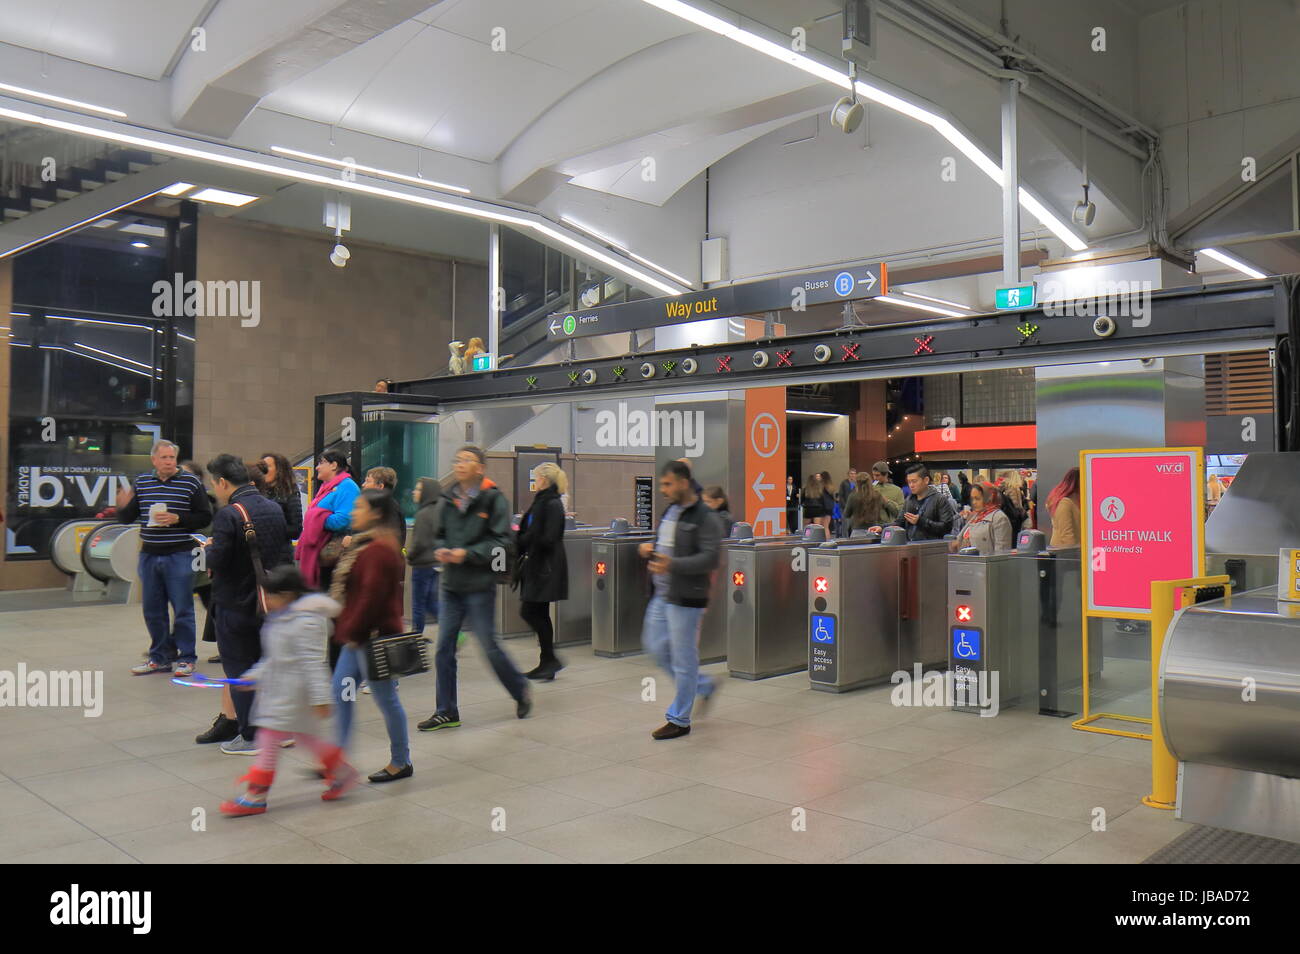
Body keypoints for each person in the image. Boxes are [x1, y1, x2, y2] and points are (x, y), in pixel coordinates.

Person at [219, 565, 359, 815]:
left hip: (296, 695)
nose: (266, 600)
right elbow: (273, 658)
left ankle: (256, 796)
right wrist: (252, 676)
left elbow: (313, 663)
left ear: (287, 594)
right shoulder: (279, 618)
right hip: (279, 691)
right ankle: (342, 773)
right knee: (308, 739)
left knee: (268, 739)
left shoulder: (307, 622)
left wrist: (320, 699)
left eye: (270, 595)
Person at [418, 446, 531, 731]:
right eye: (457, 460)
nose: (460, 464)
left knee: (488, 645)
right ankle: (446, 710)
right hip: (451, 584)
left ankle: (519, 689)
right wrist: (443, 550)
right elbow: (439, 535)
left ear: (481, 468)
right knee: (444, 648)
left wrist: (466, 554)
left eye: (467, 460)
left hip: (479, 585)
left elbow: (503, 544)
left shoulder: (493, 500)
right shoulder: (447, 499)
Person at [203, 454, 293, 756]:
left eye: (215, 484)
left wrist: (209, 550)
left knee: (240, 668)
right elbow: (283, 555)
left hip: (236, 603)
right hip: (270, 601)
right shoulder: (274, 508)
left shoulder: (228, 515)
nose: (215, 490)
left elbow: (219, 561)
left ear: (224, 482)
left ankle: (251, 735)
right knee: (267, 665)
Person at [330, 489, 413, 783]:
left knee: (386, 699)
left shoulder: (378, 551)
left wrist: (352, 631)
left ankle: (401, 761)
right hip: (358, 636)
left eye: (359, 507)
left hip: (374, 637)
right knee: (341, 692)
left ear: (375, 513)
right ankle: (337, 759)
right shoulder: (364, 545)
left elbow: (371, 598)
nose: (354, 512)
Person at [638, 460, 723, 740]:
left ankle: (679, 718)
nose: (663, 489)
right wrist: (650, 547)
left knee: (684, 657)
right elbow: (666, 544)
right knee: (655, 646)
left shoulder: (705, 517)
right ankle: (703, 685)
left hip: (687, 596)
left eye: (668, 484)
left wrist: (671, 564)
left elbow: (710, 558)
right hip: (663, 594)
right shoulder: (670, 511)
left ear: (684, 483)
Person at [116, 440, 212, 676]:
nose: (169, 462)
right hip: (149, 554)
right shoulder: (142, 482)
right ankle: (159, 657)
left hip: (179, 553)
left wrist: (178, 519)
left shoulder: (190, 482)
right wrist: (122, 506)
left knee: (182, 609)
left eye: (172, 457)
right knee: (152, 609)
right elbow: (128, 518)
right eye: (165, 458)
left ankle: (187, 657)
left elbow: (204, 517)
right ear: (154, 460)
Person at [517, 463, 569, 681]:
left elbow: (550, 537)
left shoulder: (552, 503)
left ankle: (550, 659)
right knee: (539, 613)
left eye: (536, 478)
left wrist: (527, 539)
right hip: (539, 566)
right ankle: (547, 662)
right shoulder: (542, 502)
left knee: (529, 611)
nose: (534, 481)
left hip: (545, 567)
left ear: (545, 480)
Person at [297, 449, 359, 599]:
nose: (317, 467)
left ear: (334, 465)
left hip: (334, 556)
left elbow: (343, 520)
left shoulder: (347, 486)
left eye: (321, 463)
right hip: (323, 554)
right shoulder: (327, 487)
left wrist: (315, 517)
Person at [405, 477, 443, 634]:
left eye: (419, 489)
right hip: (436, 563)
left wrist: (409, 556)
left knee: (419, 603)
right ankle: (452, 627)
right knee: (430, 602)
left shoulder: (423, 514)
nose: (414, 492)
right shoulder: (440, 511)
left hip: (422, 565)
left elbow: (419, 542)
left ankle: (416, 636)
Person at [888, 463, 954, 541]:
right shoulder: (909, 500)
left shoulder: (940, 499)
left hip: (933, 547)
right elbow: (899, 522)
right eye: (909, 482)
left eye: (914, 481)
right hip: (911, 546)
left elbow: (946, 528)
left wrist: (921, 521)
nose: (911, 485)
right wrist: (882, 528)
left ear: (926, 480)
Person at [950, 482, 1013, 555]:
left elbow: (1001, 553)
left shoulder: (999, 518)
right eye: (972, 499)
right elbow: (958, 540)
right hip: (968, 563)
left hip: (986, 564)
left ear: (989, 498)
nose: (974, 502)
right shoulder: (975, 516)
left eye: (977, 498)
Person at [257, 453, 303, 541]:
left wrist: (268, 527)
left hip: (279, 550)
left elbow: (296, 530)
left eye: (267, 466)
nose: (263, 471)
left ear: (279, 470)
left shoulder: (290, 493)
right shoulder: (258, 492)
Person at [1046, 467, 1081, 549]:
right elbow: (1067, 535)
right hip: (1066, 552)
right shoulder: (1064, 503)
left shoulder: (1073, 501)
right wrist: (1076, 555)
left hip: (1071, 550)